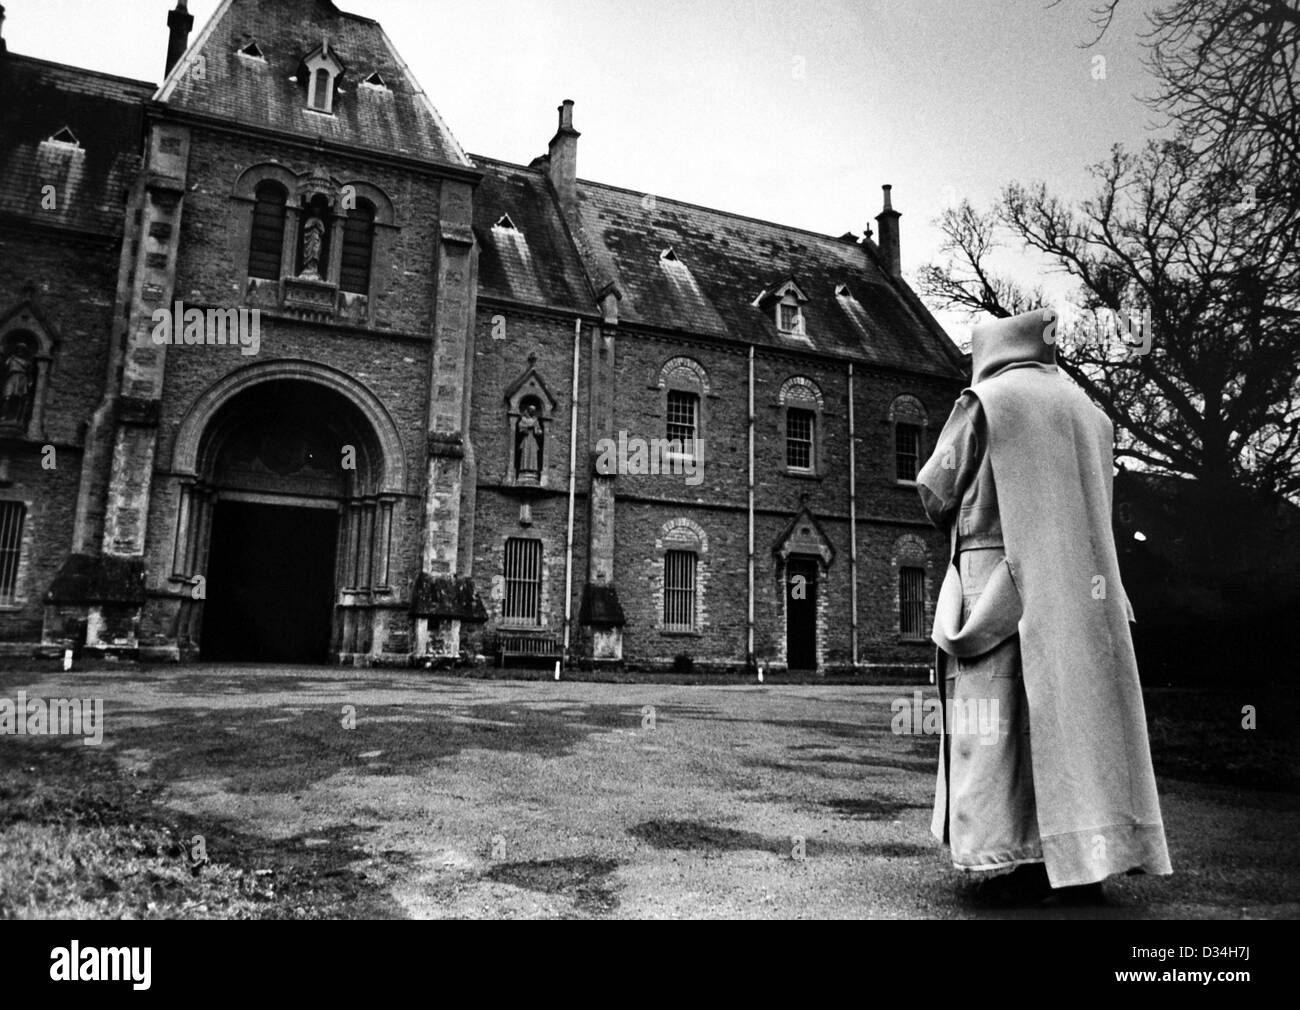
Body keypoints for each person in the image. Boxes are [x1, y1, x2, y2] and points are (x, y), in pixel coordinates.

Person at [917, 309, 1172, 905]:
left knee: (1001, 725)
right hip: (1084, 585)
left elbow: (934, 490)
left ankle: (1016, 859)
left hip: (1001, 580)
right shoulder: (1091, 414)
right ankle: (1083, 859)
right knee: (1076, 722)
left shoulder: (985, 402)